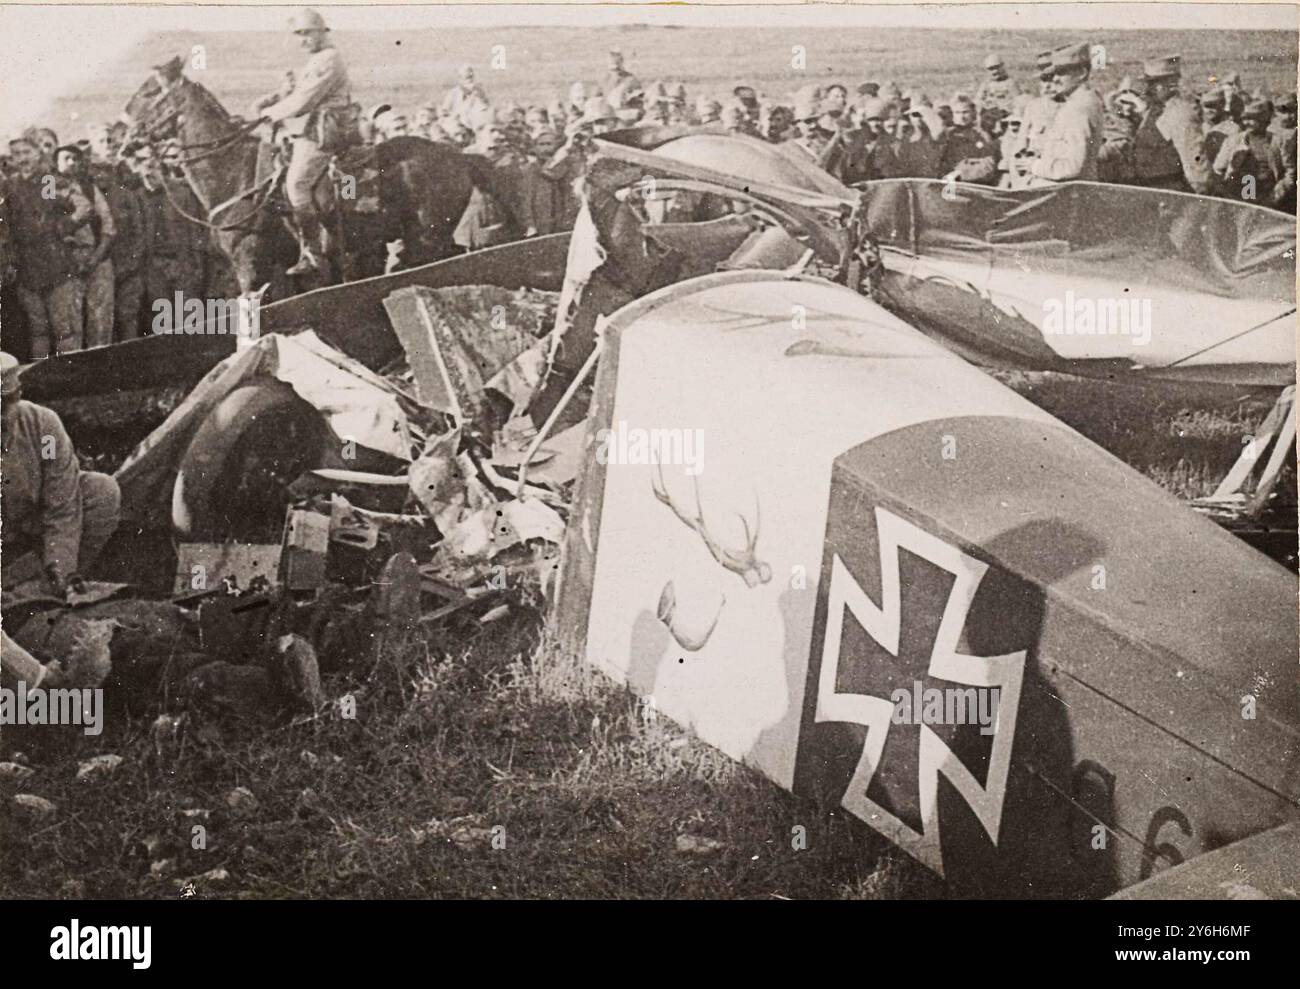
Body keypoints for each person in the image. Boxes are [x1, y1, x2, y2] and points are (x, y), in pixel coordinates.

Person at [0, 352, 120, 601]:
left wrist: (61, 572)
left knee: (101, 491)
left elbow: (62, 506)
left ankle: (51, 587)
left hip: (35, 523)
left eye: (4, 405)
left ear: (18, 396)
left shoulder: (43, 428)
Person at [257, 7, 353, 275]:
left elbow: (304, 100)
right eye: (299, 35)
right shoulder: (317, 59)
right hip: (310, 127)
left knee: (297, 184)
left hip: (324, 132)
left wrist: (271, 113)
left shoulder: (328, 59)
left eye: (308, 33)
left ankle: (313, 253)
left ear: (322, 32)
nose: (303, 40)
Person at [6, 137, 90, 358]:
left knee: (64, 331)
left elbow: (82, 206)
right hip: (27, 269)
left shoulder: (47, 183)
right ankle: (41, 383)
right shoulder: (10, 186)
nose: (23, 159)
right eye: (17, 154)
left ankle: (70, 379)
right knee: (38, 331)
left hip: (55, 266)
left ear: (37, 154)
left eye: (27, 152)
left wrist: (64, 226)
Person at [55, 145, 116, 349]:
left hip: (96, 258)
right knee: (71, 322)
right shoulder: (48, 188)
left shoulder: (90, 188)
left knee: (101, 319)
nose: (71, 163)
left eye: (75, 158)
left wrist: (96, 257)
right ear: (56, 162)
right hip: (66, 262)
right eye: (66, 158)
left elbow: (108, 224)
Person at [1026, 43, 1105, 186]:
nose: (1055, 79)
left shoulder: (1078, 109)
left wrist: (1034, 166)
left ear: (1082, 73)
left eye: (1062, 72)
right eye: (1054, 73)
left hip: (1066, 196)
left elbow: (1071, 167)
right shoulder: (1083, 101)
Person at [1132, 55, 1211, 193]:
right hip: (1149, 191)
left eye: (1154, 83)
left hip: (1170, 195)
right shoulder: (1155, 111)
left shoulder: (1180, 114)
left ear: (1171, 83)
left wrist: (1198, 203)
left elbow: (1197, 169)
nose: (1148, 89)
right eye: (1148, 83)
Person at [1214, 99, 1287, 209]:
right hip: (1237, 196)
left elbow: (1289, 173)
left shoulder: (1278, 141)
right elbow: (1218, 168)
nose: (1247, 122)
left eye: (1252, 119)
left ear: (1263, 119)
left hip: (1267, 198)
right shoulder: (1233, 140)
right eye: (1245, 118)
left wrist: (1275, 196)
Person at [938, 93, 999, 185]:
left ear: (973, 113)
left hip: (973, 184)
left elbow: (988, 166)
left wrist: (961, 173)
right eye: (957, 112)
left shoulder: (981, 135)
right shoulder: (947, 135)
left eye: (965, 112)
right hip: (947, 183)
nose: (962, 117)